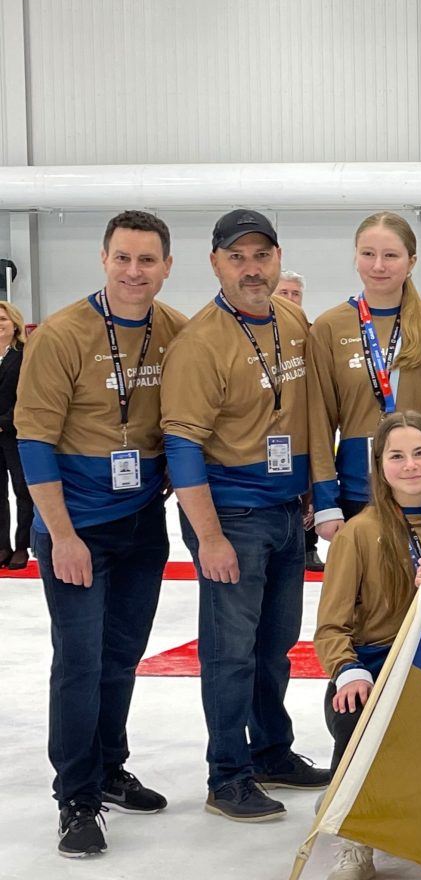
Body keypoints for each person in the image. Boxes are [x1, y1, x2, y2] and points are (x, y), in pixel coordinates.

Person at [14, 211, 187, 857]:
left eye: (147, 260)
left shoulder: (175, 329)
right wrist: (60, 535)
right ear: (104, 259)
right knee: (81, 664)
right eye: (123, 258)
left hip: (142, 523)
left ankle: (110, 767)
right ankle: (77, 797)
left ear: (167, 266)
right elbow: (33, 441)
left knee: (120, 659)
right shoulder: (61, 335)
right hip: (76, 527)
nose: (134, 272)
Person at [161, 209, 331, 823]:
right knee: (230, 651)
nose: (251, 268)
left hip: (286, 511)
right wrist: (209, 537)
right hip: (231, 515)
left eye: (261, 256)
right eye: (238, 257)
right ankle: (226, 774)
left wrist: (313, 489)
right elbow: (182, 447)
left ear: (278, 259)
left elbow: (302, 410)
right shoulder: (201, 343)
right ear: (215, 264)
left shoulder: (289, 318)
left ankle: (271, 752)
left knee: (276, 645)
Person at [314, 410, 421, 880]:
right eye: (397, 455)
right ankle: (354, 833)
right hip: (377, 665)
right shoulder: (358, 533)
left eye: (420, 452)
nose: (411, 465)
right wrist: (349, 670)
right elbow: (330, 628)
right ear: (379, 465)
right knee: (357, 709)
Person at [307, 213, 421, 541]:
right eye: (368, 254)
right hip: (360, 487)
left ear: (411, 261)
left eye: (391, 255)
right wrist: (326, 502)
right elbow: (319, 420)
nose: (378, 265)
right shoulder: (329, 327)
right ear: (355, 256)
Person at [270, 271, 323, 572]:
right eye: (284, 292)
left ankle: (308, 546)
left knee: (310, 490)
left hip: (306, 426)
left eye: (295, 294)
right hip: (271, 431)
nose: (290, 299)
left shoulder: (311, 333)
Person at [0, 299, 35, 569]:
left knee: (23, 490)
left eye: (2, 320)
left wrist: (5, 422)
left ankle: (22, 545)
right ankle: (2, 545)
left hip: (16, 433)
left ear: (14, 324)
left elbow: (28, 395)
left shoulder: (25, 354)